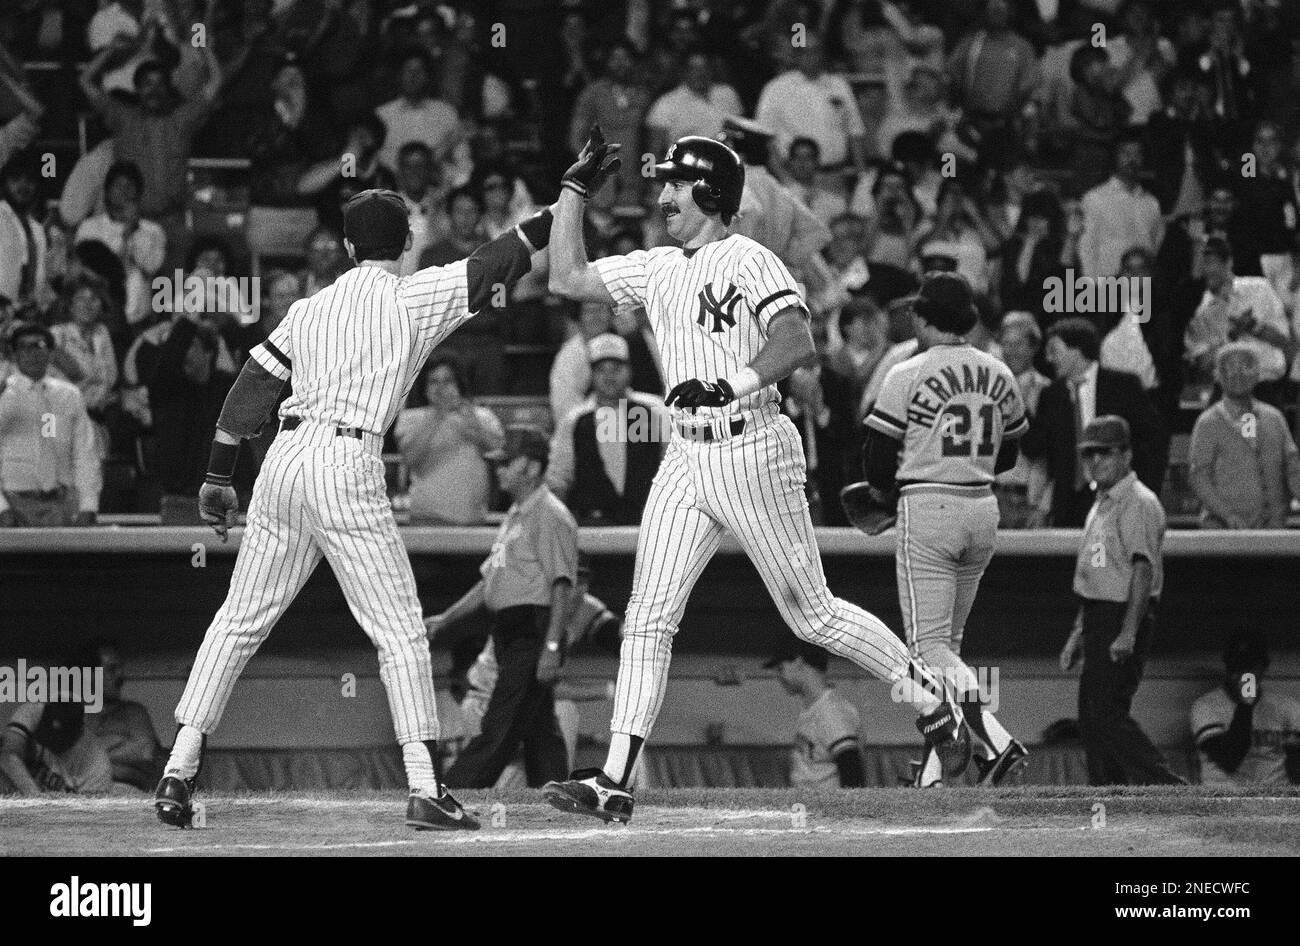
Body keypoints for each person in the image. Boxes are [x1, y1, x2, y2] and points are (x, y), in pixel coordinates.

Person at [542, 129, 970, 824]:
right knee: (647, 620)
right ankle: (614, 780)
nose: (663, 193)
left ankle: (932, 703)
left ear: (708, 190)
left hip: (752, 447)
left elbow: (796, 336)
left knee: (813, 613)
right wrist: (572, 191)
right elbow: (567, 277)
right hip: (686, 455)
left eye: (675, 182)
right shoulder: (657, 265)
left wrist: (730, 384)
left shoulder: (748, 256)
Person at [151, 188, 560, 832]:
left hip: (285, 460)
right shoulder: (412, 294)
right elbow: (495, 262)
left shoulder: (310, 308)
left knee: (238, 619)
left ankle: (177, 769)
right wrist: (560, 207)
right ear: (405, 245)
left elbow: (252, 385)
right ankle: (426, 788)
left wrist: (217, 476)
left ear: (346, 248)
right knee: (398, 630)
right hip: (348, 461)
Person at [864, 272, 1030, 788]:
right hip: (982, 506)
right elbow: (1011, 452)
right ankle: (932, 776)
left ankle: (998, 743)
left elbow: (875, 456)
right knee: (946, 647)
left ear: (923, 315)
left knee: (928, 649)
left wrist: (885, 495)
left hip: (927, 503)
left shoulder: (906, 370)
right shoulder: (1000, 371)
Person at [423, 426, 576, 789]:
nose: (500, 469)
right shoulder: (517, 513)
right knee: (539, 727)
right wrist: (445, 619)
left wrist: (552, 647)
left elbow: (562, 586)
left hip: (532, 629)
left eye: (507, 462)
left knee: (500, 725)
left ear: (532, 467)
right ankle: (553, 791)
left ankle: (455, 793)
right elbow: (489, 582)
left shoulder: (550, 514)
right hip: (511, 628)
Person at [1059, 416, 1184, 786]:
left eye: (1105, 453)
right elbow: (1095, 576)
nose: (1095, 461)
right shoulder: (1102, 501)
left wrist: (1128, 631)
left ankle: (1167, 786)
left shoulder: (1138, 502)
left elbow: (1143, 571)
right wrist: (1077, 634)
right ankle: (1109, 796)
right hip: (1100, 614)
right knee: (1092, 716)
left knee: (1107, 713)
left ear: (1126, 454)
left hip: (1123, 614)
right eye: (1089, 454)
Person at [1020, 318, 1166, 527]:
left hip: (1118, 499)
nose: (1049, 358)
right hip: (1069, 506)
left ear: (1077, 350)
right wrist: (1021, 409)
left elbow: (1153, 444)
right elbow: (1033, 447)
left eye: (1055, 350)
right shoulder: (1051, 395)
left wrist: (1146, 493)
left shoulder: (1123, 386)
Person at [547, 333, 667, 526]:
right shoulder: (575, 419)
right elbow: (558, 479)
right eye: (601, 370)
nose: (609, 376)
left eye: (616, 369)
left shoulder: (655, 410)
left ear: (629, 370)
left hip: (651, 524)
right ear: (592, 374)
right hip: (592, 528)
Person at [1189, 343, 1300, 528]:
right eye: (1229, 367)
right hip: (1223, 531)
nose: (1237, 373)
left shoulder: (1275, 419)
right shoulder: (1208, 423)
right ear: (1218, 376)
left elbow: (1294, 469)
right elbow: (1199, 477)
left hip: (1273, 531)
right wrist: (1228, 515)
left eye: (1246, 366)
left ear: (1258, 374)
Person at [0, 323, 100, 526]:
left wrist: (88, 504)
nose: (32, 353)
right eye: (24, 347)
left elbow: (84, 451)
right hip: (12, 502)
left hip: (59, 503)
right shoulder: (4, 395)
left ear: (50, 352)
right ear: (14, 354)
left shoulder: (68, 395)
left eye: (38, 346)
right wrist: (1, 508)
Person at [393, 354, 504, 525]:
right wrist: (437, 415)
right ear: (424, 387)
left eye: (447, 381)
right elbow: (410, 458)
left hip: (473, 519)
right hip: (426, 519)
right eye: (434, 382)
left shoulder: (482, 416)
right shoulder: (411, 418)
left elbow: (498, 451)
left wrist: (473, 422)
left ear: (459, 384)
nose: (440, 388)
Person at [1184, 236, 1291, 401]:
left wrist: (1253, 327)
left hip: (1263, 385)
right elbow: (1204, 363)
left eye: (1210, 262)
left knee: (1257, 421)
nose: (1205, 270)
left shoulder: (1259, 288)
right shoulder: (1201, 311)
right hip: (1226, 389)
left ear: (1228, 263)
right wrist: (1230, 335)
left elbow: (1284, 341)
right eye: (1200, 264)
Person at [1191, 634, 1300, 787]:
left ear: (1263, 667)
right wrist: (1246, 704)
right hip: (1224, 798)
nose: (1242, 674)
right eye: (1237, 667)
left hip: (1274, 798)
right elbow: (1230, 760)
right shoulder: (1206, 706)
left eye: (1249, 667)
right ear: (1228, 667)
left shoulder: (1285, 707)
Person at [74, 159, 166, 328]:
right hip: (98, 315)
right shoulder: (89, 227)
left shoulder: (153, 231)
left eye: (129, 186)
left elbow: (151, 266)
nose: (124, 192)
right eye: (118, 186)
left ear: (138, 193)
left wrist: (133, 229)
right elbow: (85, 271)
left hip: (138, 317)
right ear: (107, 191)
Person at [766, 639, 864, 789]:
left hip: (828, 810)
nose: (779, 676)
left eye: (781, 668)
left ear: (799, 662)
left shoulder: (832, 711)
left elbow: (852, 773)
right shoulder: (816, 709)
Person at [993, 312, 1051, 528]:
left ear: (1034, 346)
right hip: (994, 499)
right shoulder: (989, 390)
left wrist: (1044, 506)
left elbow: (1055, 457)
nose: (1011, 352)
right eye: (1006, 344)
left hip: (1031, 502)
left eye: (1018, 344)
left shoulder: (1049, 391)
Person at [1078, 135, 1164, 279]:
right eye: (1126, 153)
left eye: (1137, 154)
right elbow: (1087, 249)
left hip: (1143, 290)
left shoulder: (1151, 203)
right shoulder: (1095, 199)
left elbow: (1155, 248)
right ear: (1115, 157)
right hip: (1107, 288)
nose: (1132, 159)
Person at [85, 637, 164, 791]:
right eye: (112, 669)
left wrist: (90, 754)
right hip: (84, 795)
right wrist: (118, 742)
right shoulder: (73, 713)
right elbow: (65, 763)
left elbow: (145, 751)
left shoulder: (134, 712)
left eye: (121, 668)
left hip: (129, 793)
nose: (121, 675)